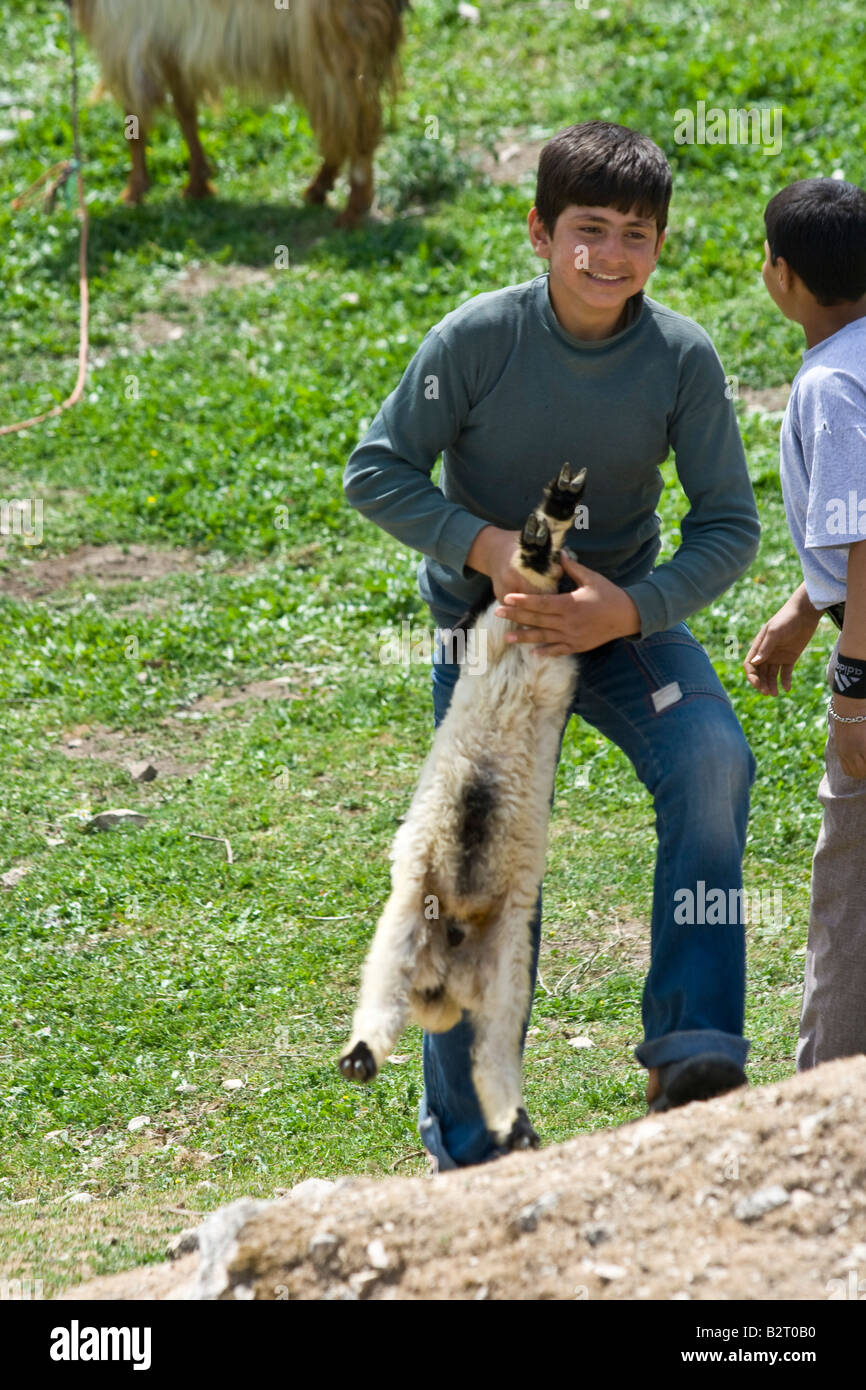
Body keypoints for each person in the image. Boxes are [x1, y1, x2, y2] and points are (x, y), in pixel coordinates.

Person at [344, 120, 760, 1169]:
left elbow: (728, 523)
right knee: (473, 860)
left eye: (634, 234)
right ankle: (474, 1139)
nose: (609, 256)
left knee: (712, 759)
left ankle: (693, 1052)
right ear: (538, 231)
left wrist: (626, 610)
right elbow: (376, 470)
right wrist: (481, 546)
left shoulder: (678, 358)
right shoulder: (476, 340)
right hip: (489, 636)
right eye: (587, 230)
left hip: (615, 623)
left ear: (658, 246)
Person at [744, 177, 866, 1071]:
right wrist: (801, 607)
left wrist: (854, 696)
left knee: (849, 890)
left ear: (781, 276)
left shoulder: (831, 385)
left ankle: (828, 1100)